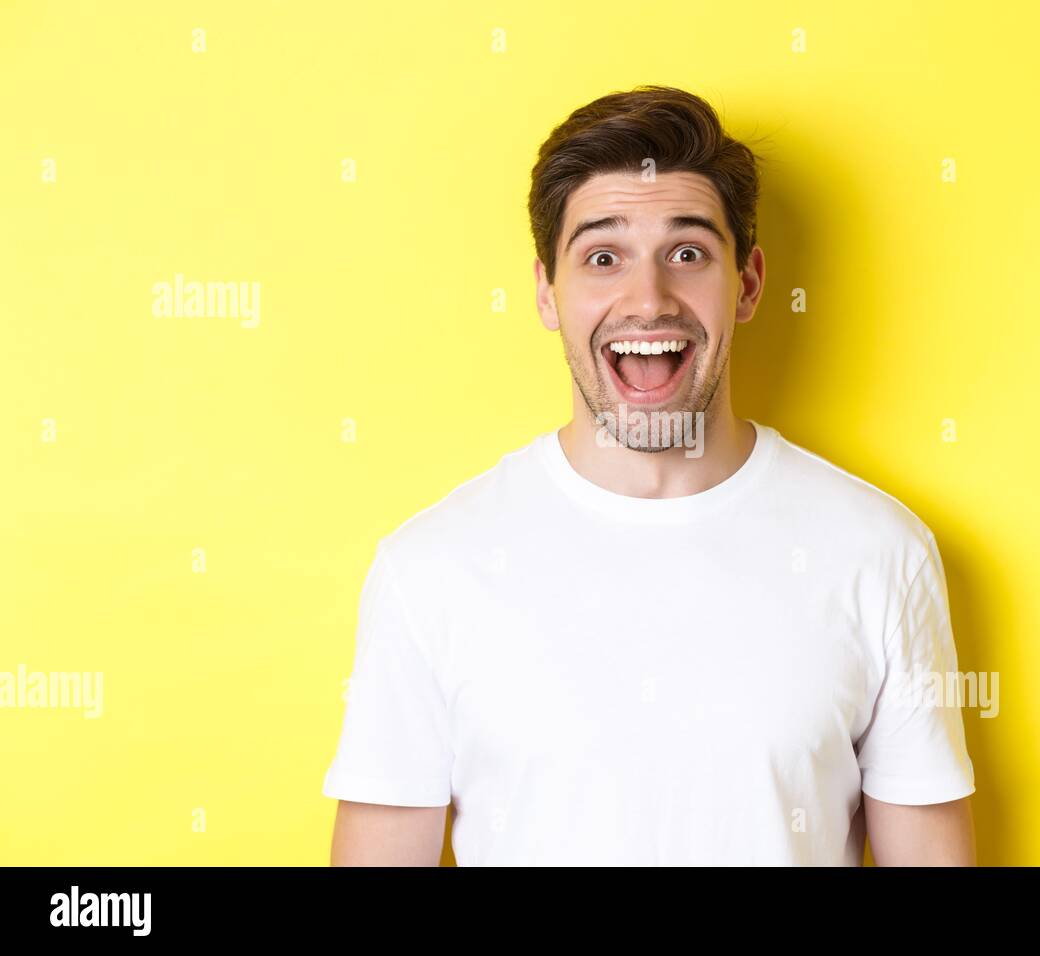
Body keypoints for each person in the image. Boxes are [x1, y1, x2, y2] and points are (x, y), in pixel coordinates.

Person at [324, 85, 976, 865]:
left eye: (688, 253)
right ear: (545, 292)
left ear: (749, 283)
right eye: (603, 257)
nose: (648, 299)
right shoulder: (428, 569)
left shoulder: (880, 553)